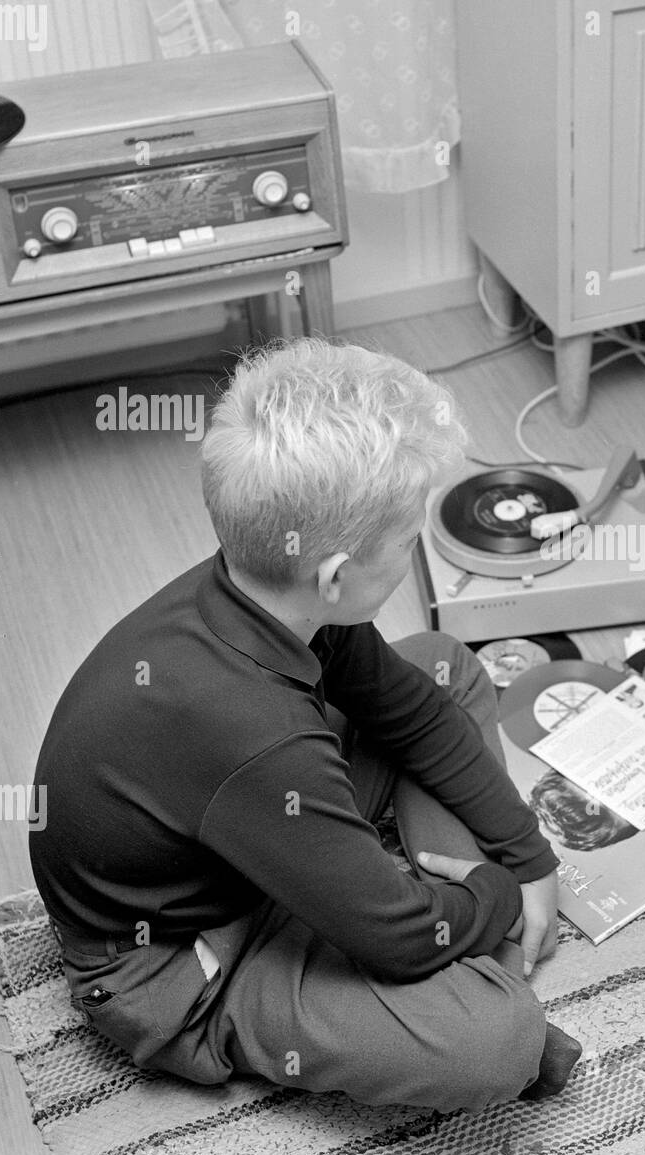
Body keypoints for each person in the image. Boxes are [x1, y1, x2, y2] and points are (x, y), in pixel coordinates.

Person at [31, 339, 581, 1113]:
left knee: (442, 669)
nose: (416, 548)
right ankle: (441, 936)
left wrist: (530, 857)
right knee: (497, 1042)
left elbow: (412, 708)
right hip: (175, 962)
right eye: (407, 536)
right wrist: (493, 890)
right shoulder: (258, 735)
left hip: (243, 830)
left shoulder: (274, 590)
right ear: (334, 574)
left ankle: (407, 910)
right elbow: (394, 940)